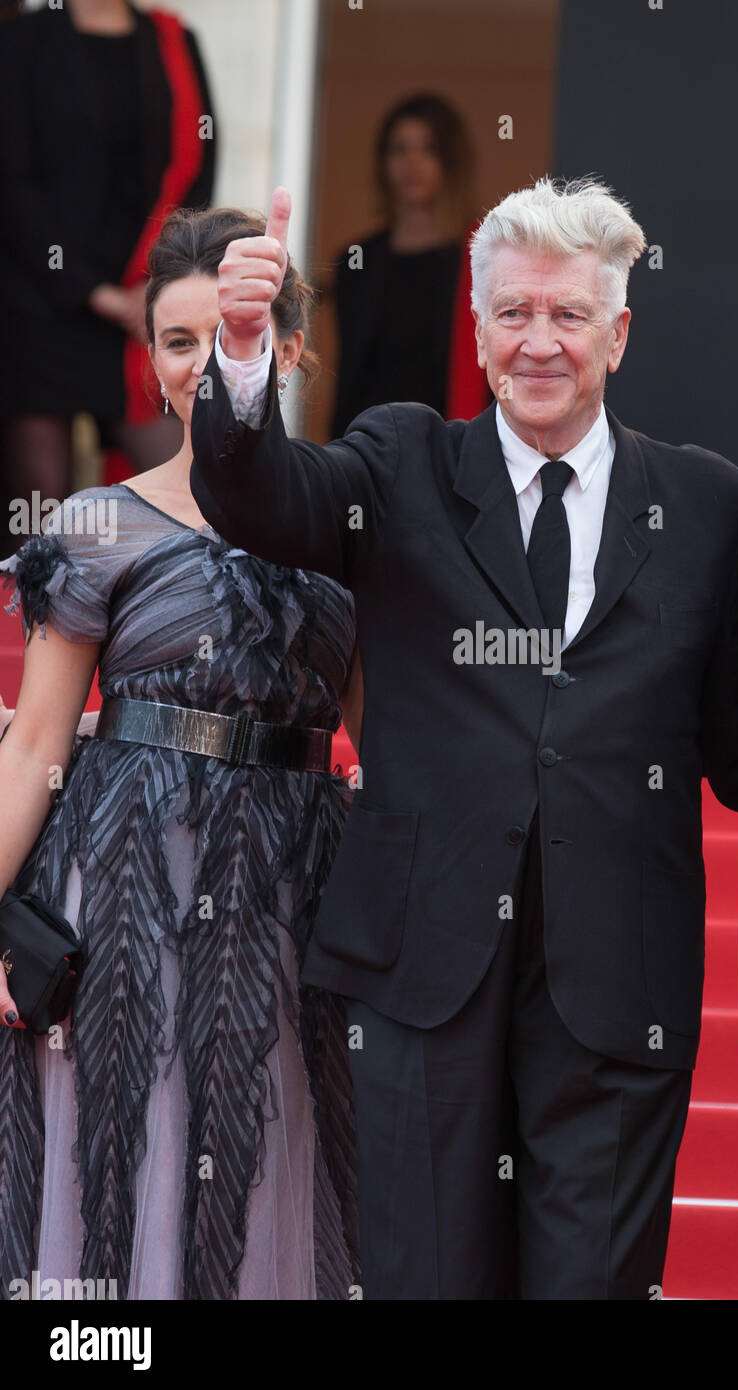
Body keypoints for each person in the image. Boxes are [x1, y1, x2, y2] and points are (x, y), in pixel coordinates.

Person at [189, 177, 738, 1300]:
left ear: (619, 332)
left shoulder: (706, 502)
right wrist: (246, 354)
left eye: (566, 314)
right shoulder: (403, 462)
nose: (538, 341)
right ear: (478, 324)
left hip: (617, 976)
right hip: (423, 963)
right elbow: (265, 496)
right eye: (512, 312)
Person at [0, 206, 359, 1300]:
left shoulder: (349, 518)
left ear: (287, 348)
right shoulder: (100, 522)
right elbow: (36, 744)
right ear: (151, 363)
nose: (200, 364)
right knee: (125, 1153)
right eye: (176, 340)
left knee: (269, 1149)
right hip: (122, 886)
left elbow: (391, 744)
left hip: (293, 887)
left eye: (229, 333)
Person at [0, 0, 215, 557]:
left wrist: (155, 284)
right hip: (40, 302)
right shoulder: (23, 40)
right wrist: (91, 291)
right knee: (37, 517)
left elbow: (198, 167)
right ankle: (34, 643)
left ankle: (168, 634)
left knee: (193, 502)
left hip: (140, 299)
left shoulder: (170, 40)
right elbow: (11, 180)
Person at [329, 93, 489, 438]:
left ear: (451, 160)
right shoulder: (358, 262)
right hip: (367, 449)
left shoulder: (483, 257)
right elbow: (349, 379)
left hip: (450, 450)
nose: (412, 163)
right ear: (383, 162)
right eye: (399, 150)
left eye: (428, 149)